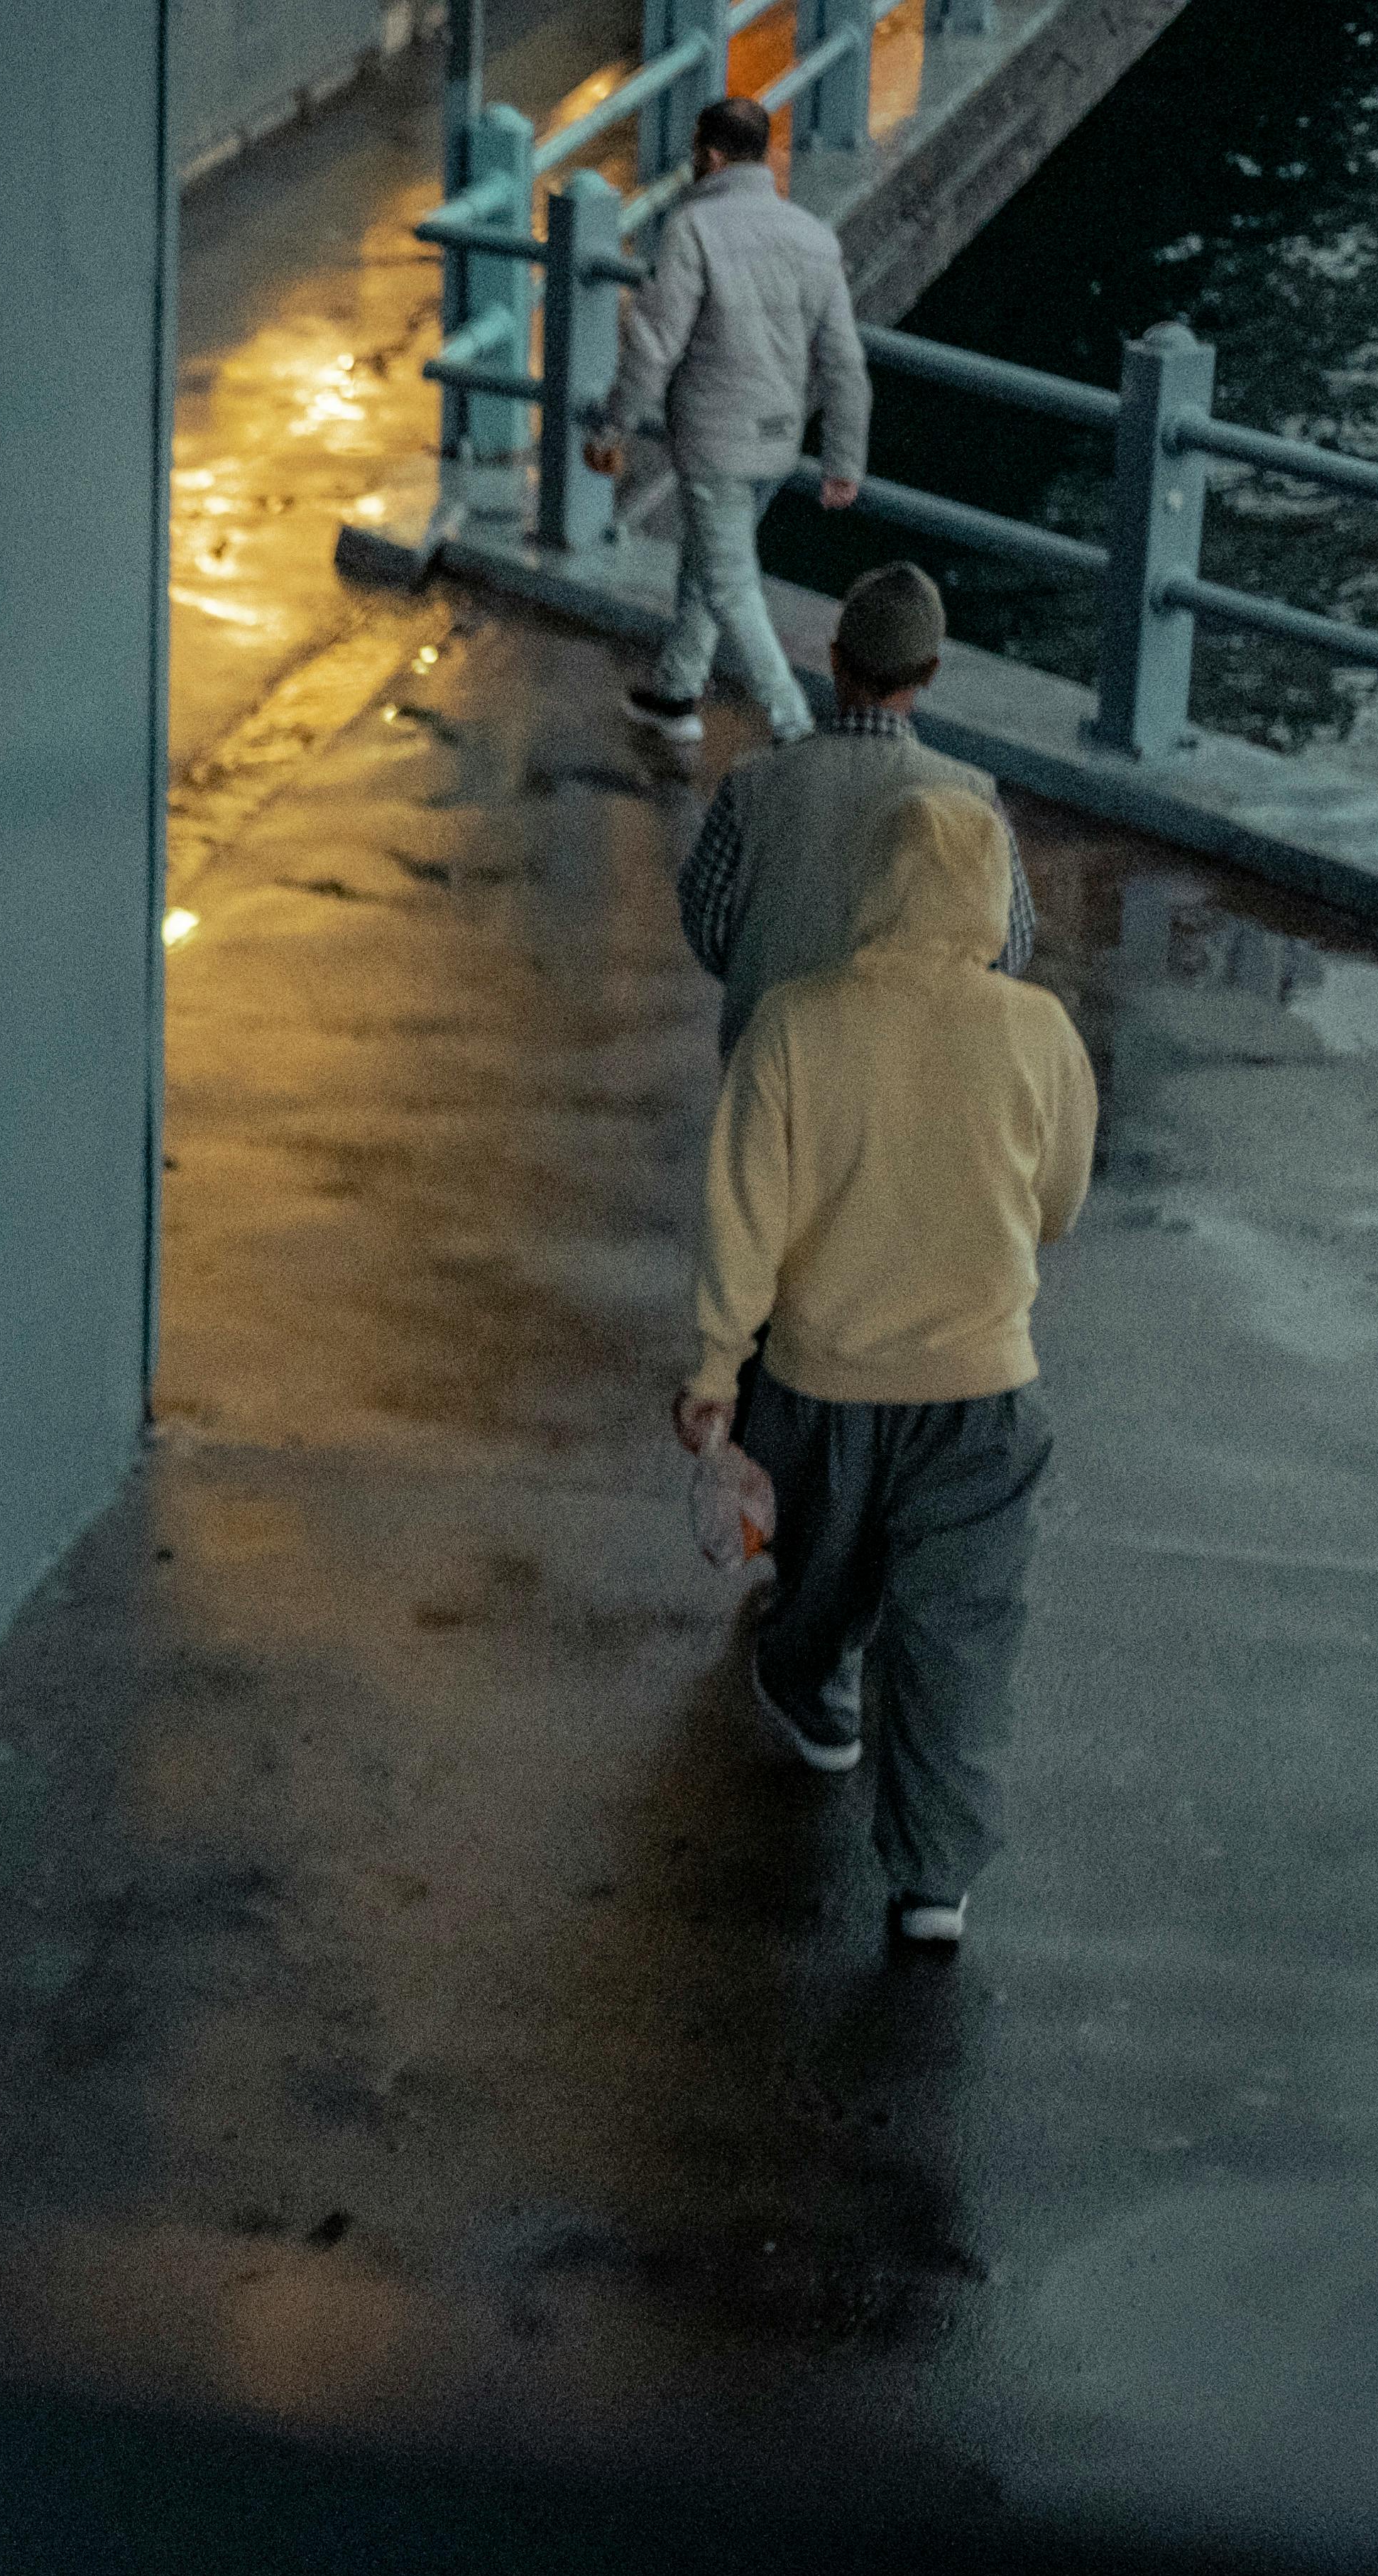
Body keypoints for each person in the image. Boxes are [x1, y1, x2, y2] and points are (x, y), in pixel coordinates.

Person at [678, 786, 1095, 1954]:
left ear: (872, 887)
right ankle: (933, 1884)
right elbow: (1060, 1204)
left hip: (823, 1388)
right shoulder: (1041, 1033)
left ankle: (813, 1697)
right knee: (959, 1635)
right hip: (983, 1399)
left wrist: (715, 1374)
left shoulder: (797, 1027)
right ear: (992, 897)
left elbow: (740, 1222)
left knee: (823, 1578)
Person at [589, 96, 866, 746]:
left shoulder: (693, 230)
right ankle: (675, 692)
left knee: (730, 580)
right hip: (778, 440)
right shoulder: (812, 237)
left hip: (716, 442)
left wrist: (611, 429)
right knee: (710, 559)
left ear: (709, 156)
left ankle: (794, 726)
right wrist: (843, 461)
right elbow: (844, 362)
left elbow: (654, 346)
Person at [678, 560, 1038, 1054]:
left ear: (834, 659)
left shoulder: (749, 785)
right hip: (902, 1083)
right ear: (930, 671)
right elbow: (1008, 950)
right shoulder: (975, 800)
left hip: (765, 1067)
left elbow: (709, 929)